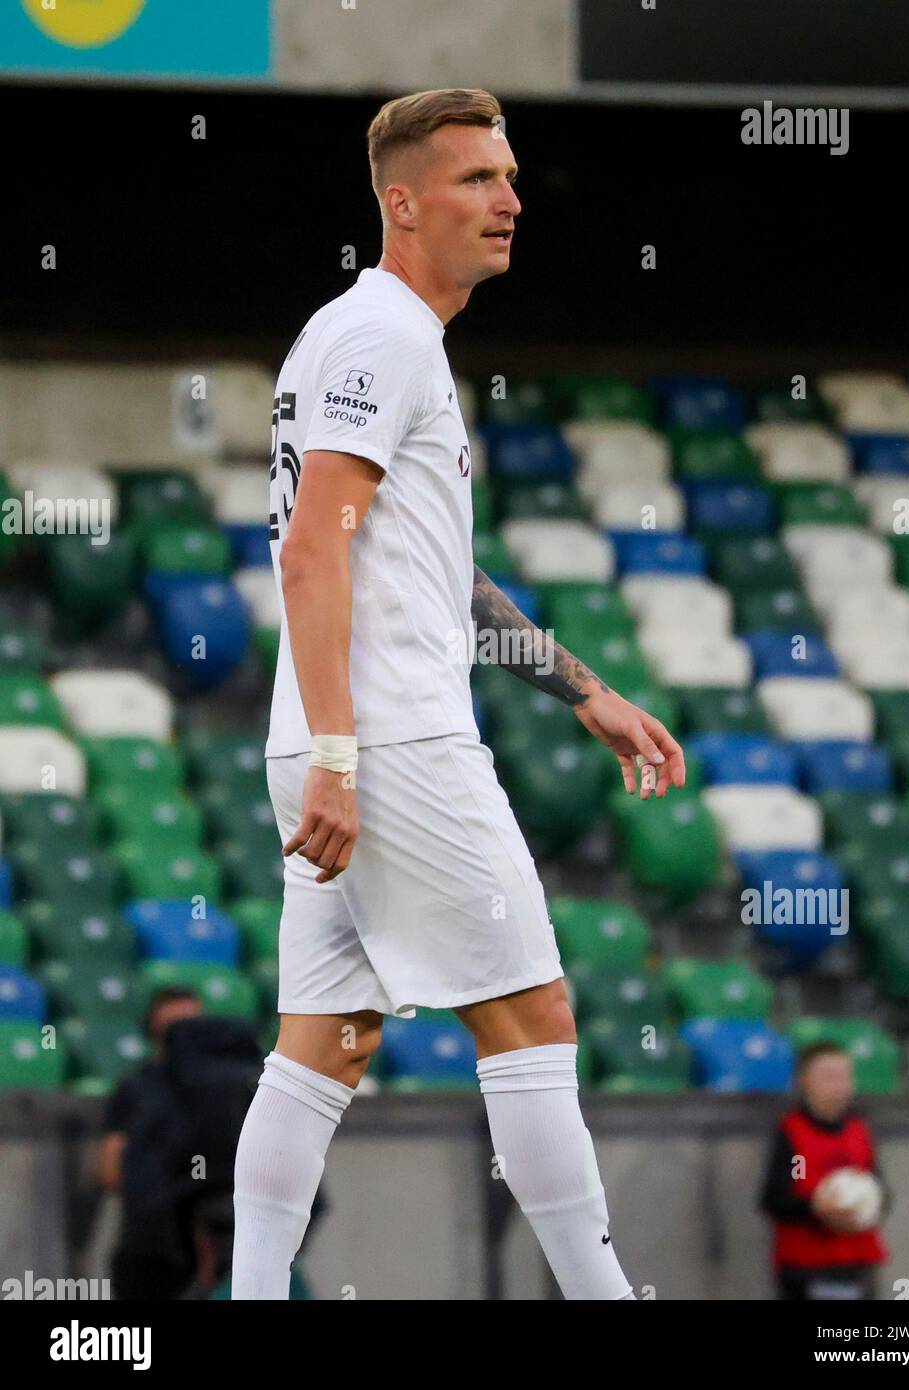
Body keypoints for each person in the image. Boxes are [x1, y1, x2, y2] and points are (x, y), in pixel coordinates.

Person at [233, 86, 686, 1301]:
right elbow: (312, 549)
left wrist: (576, 686)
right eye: (479, 178)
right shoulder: (384, 337)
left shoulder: (354, 331)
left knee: (324, 1045)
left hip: (332, 740)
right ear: (402, 200)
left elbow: (421, 562)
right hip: (389, 745)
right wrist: (342, 751)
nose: (511, 199)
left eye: (511, 174)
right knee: (532, 1016)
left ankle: (252, 1293)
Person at [759, 1040, 891, 1300]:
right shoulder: (793, 1132)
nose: (839, 1085)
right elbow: (776, 1198)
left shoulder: (858, 1131)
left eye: (844, 1076)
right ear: (804, 1080)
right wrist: (817, 1208)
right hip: (808, 1267)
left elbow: (882, 1191)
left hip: (857, 1263)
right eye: (828, 1077)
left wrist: (871, 1203)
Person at [99, 988, 205, 1299]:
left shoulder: (218, 1090)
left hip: (208, 1247)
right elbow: (111, 1172)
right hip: (148, 1247)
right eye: (173, 1028)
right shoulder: (136, 1088)